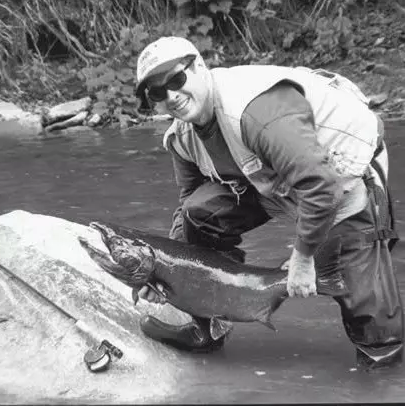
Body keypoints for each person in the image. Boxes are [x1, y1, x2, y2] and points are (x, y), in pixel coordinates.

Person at [133, 36, 403, 369]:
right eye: (158, 92)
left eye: (176, 80)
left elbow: (320, 187)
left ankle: (381, 370)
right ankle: (208, 326)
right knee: (197, 214)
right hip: (270, 178)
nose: (171, 96)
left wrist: (303, 258)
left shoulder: (255, 111)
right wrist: (167, 271)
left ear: (199, 67)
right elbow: (189, 202)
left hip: (343, 173)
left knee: (373, 318)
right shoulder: (181, 138)